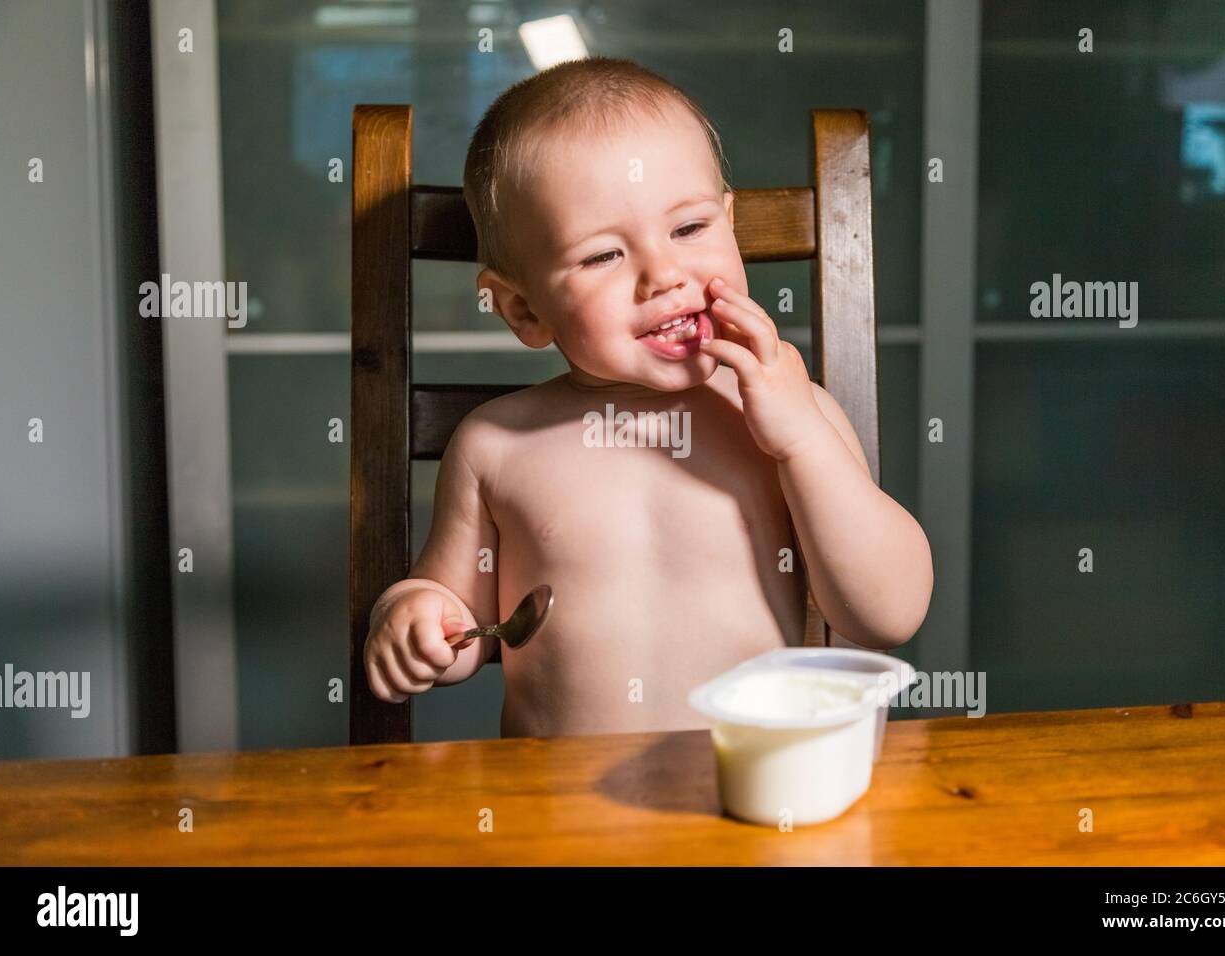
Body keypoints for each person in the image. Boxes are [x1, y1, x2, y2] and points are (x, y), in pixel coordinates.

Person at [364, 57, 933, 737]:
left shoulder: (790, 413)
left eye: (690, 229)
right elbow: (460, 618)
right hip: (553, 796)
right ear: (524, 310)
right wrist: (415, 616)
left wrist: (803, 441)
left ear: (730, 226)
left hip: (744, 783)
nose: (664, 275)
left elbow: (887, 616)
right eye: (603, 255)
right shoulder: (495, 446)